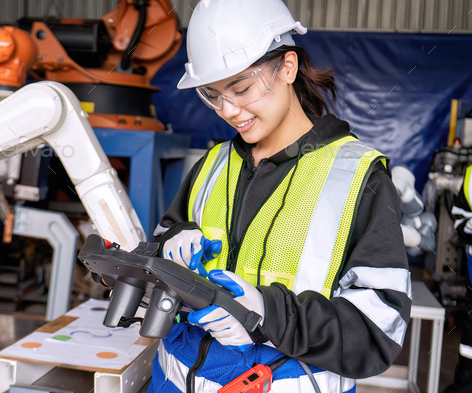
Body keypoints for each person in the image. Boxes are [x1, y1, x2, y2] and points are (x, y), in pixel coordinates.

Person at [149, 1, 412, 392]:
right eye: (212, 95)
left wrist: (267, 312)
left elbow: (377, 331)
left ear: (288, 67)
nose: (229, 110)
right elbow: (163, 239)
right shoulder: (213, 164)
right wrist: (173, 240)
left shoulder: (358, 178)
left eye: (241, 88)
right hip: (171, 379)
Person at [445, 165, 472, 393]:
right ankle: (463, 387)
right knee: (470, 342)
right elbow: (459, 216)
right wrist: (468, 225)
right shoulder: (471, 174)